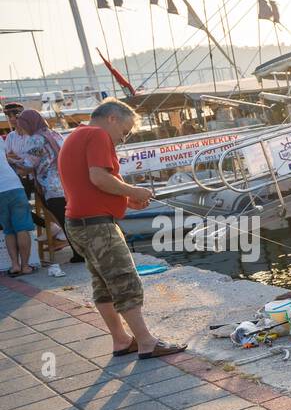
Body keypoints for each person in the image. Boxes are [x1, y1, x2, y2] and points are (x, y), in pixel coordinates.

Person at [57, 98, 185, 359]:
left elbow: (88, 183)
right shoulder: (97, 135)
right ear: (112, 118)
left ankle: (121, 340)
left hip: (78, 223)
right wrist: (134, 190)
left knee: (103, 284)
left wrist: (125, 200)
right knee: (124, 280)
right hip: (96, 226)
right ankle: (147, 342)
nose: (122, 139)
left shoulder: (77, 135)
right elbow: (99, 177)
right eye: (124, 132)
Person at [13, 109, 85, 268]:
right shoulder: (54, 134)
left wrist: (11, 164)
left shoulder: (36, 139)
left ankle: (79, 254)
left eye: (23, 125)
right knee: (72, 220)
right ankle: (81, 251)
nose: (22, 129)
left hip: (52, 187)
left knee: (65, 222)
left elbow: (29, 163)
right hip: (67, 183)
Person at [1, 150, 37, 276]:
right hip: (13, 186)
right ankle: (25, 266)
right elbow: (6, 157)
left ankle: (15, 265)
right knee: (21, 228)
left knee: (8, 230)